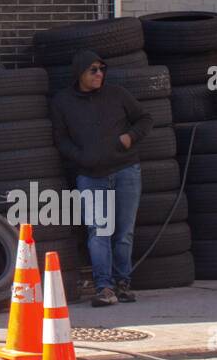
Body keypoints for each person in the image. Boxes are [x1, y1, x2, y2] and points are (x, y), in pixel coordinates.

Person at [49, 49, 154, 307]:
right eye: (93, 70)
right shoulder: (63, 102)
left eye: (101, 69)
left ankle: (122, 284)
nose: (99, 74)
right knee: (98, 232)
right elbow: (61, 140)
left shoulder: (117, 94)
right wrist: (82, 157)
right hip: (90, 176)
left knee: (124, 232)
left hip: (126, 171)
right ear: (80, 74)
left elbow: (145, 119)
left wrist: (128, 138)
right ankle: (104, 288)